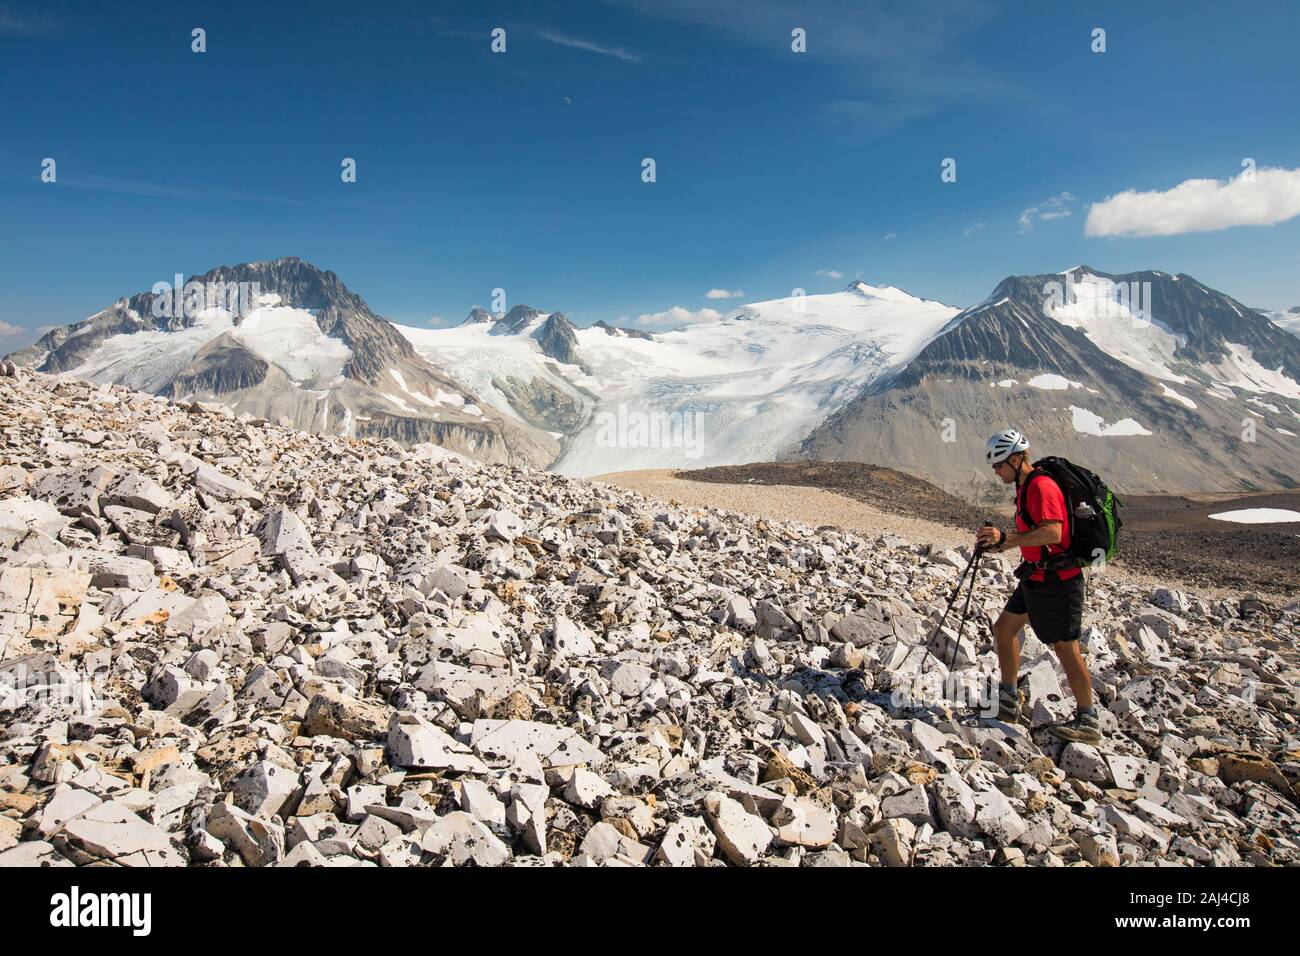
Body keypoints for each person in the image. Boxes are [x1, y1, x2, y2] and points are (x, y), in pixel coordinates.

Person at [975, 429, 1101, 743]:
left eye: (1000, 464)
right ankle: (1008, 699)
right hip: (1036, 576)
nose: (996, 471)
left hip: (1059, 581)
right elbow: (1033, 536)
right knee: (1004, 628)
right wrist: (1002, 544)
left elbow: (1053, 533)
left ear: (1017, 459)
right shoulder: (1025, 486)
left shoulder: (1041, 486)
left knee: (1066, 647)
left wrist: (1008, 540)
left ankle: (1088, 719)